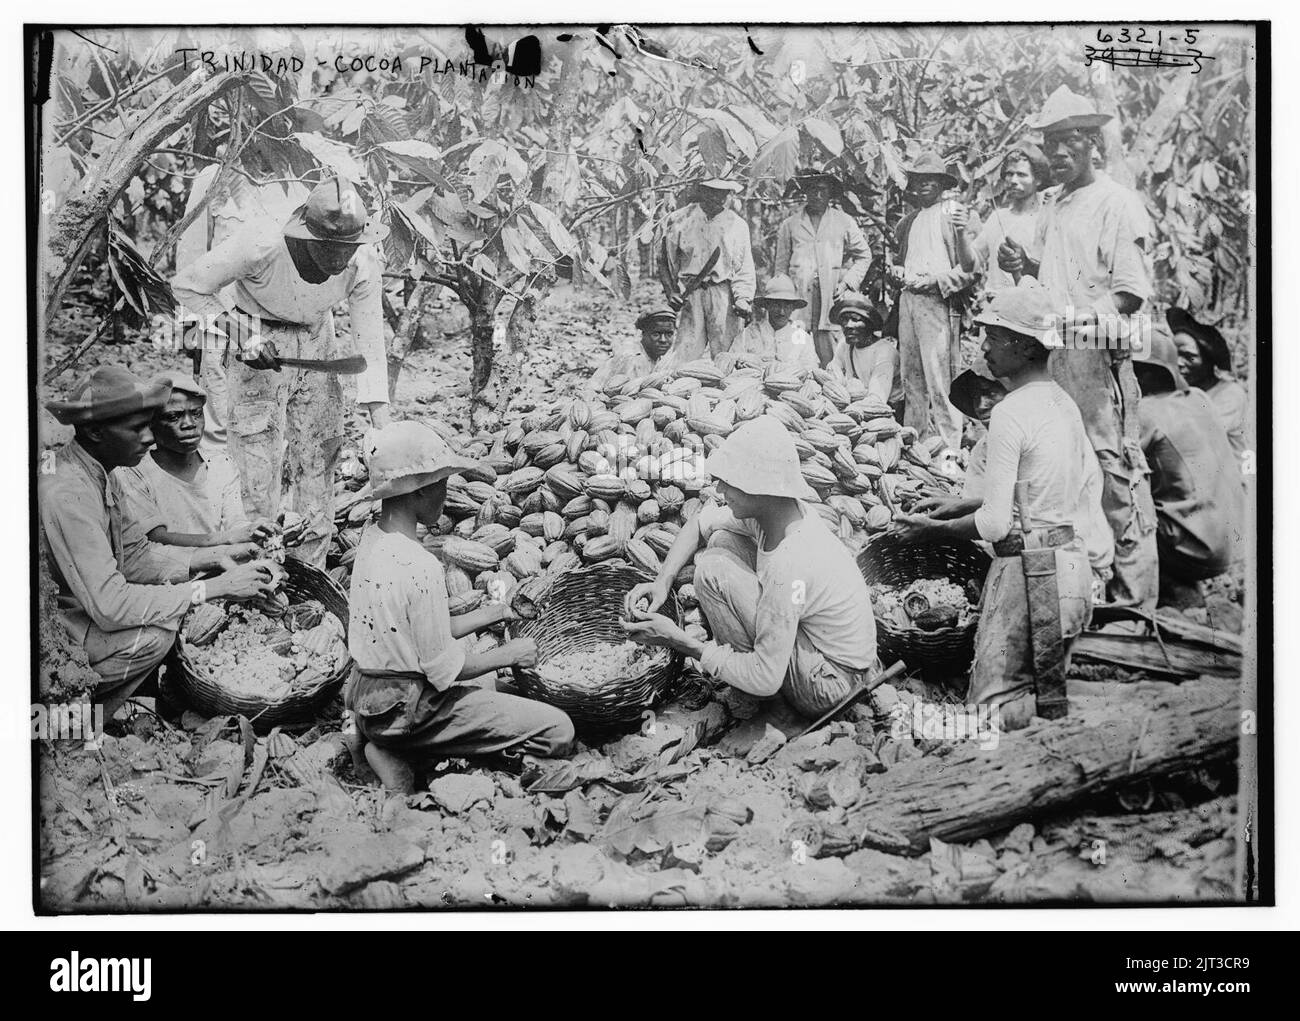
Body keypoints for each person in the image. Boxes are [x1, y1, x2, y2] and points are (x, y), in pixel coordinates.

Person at [893, 287, 1094, 730]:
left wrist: (930, 530)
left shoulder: (1010, 412)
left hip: (1030, 576)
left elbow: (995, 523)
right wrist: (959, 503)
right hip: (1070, 568)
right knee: (1046, 687)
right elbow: (1039, 494)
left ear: (1024, 346)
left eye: (994, 337)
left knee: (992, 712)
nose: (984, 347)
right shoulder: (1064, 404)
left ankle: (1099, 722)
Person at [170, 176, 392, 567]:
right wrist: (240, 335)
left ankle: (311, 563)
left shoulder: (364, 260)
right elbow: (187, 286)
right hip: (257, 332)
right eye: (332, 249)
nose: (341, 259)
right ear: (307, 236)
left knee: (320, 451)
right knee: (256, 458)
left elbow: (370, 335)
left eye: (349, 248)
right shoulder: (261, 245)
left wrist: (380, 418)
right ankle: (258, 563)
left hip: (318, 337)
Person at [996, 85, 1159, 613]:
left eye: (1070, 141)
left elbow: (1129, 293)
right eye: (1051, 143)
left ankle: (1135, 606)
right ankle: (1088, 592)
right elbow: (1047, 272)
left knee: (1115, 469)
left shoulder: (1116, 202)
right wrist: (1021, 264)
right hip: (1056, 354)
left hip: (1097, 356)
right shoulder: (1054, 203)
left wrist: (1075, 318)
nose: (1059, 153)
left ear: (1092, 142)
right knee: (1070, 471)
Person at [345, 421, 574, 793]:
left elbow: (417, 634)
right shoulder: (420, 566)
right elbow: (446, 670)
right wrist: (510, 654)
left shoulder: (372, 542)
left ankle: (382, 741)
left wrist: (498, 612)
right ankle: (404, 755)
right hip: (410, 710)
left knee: (491, 687)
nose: (447, 495)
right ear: (418, 491)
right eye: (441, 484)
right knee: (559, 729)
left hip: (369, 699)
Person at [40, 367, 278, 721]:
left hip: (82, 605)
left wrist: (214, 557)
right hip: (58, 631)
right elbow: (111, 605)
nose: (151, 438)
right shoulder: (70, 494)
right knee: (158, 634)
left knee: (171, 612)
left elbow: (135, 554)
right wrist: (212, 589)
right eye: (138, 429)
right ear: (93, 431)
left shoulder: (104, 471)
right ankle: (73, 716)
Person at [622, 417, 879, 720]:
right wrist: (662, 582)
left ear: (760, 489)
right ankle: (752, 676)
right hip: (826, 651)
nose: (719, 489)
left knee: (712, 570)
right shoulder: (777, 514)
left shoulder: (791, 561)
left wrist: (678, 639)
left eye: (729, 483)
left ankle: (766, 709)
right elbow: (698, 524)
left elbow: (766, 677)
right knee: (720, 539)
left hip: (830, 683)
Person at [928, 358, 1114, 598]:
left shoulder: (1056, 432)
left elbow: (1003, 519)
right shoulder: (983, 452)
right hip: (1023, 564)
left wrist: (935, 529)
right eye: (975, 398)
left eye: (989, 393)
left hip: (1078, 562)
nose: (981, 405)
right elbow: (986, 515)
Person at [173, 166, 309, 449]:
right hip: (223, 322)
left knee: (272, 427)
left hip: (280, 324)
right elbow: (191, 253)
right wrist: (189, 329)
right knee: (221, 422)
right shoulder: (213, 176)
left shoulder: (302, 173)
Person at [1132, 326, 1244, 602]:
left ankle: (1134, 601)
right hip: (1232, 545)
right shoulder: (1200, 398)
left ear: (1142, 373)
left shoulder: (1146, 413)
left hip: (1195, 552)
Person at [116, 373, 275, 552]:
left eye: (196, 413)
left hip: (217, 565)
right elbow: (156, 537)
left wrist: (260, 531)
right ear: (151, 423)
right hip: (168, 572)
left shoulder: (221, 464)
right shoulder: (134, 470)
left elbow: (235, 521)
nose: (189, 424)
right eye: (174, 416)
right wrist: (229, 538)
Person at [888, 152, 979, 453]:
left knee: (940, 377)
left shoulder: (952, 213)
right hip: (909, 301)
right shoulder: (909, 221)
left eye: (931, 179)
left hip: (937, 301)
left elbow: (969, 270)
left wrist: (936, 281)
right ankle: (916, 444)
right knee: (911, 376)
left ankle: (949, 448)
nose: (924, 184)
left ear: (941, 183)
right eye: (918, 179)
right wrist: (898, 271)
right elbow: (900, 261)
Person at [773, 168, 871, 367]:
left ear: (830, 194)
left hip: (831, 294)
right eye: (812, 189)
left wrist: (847, 283)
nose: (817, 195)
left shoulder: (843, 221)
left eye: (822, 191)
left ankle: (832, 388)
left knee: (830, 352)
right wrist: (784, 299)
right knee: (797, 344)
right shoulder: (790, 224)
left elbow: (864, 255)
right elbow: (780, 267)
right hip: (799, 297)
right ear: (805, 191)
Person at [658, 178, 756, 360]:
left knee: (727, 356)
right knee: (684, 353)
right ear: (701, 190)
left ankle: (729, 387)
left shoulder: (737, 225)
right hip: (691, 292)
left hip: (723, 294)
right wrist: (671, 291)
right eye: (711, 191)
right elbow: (663, 259)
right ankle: (681, 387)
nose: (716, 197)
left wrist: (743, 299)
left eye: (722, 192)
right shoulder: (680, 219)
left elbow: (744, 267)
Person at [1167, 307, 1250, 463]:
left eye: (1189, 357)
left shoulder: (1230, 395)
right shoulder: (1181, 391)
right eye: (1173, 354)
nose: (1178, 363)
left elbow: (1194, 438)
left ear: (1209, 361)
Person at [968, 144, 1052, 296]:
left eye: (1021, 174)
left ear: (1038, 180)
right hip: (994, 306)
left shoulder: (1047, 217)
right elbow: (971, 263)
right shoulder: (997, 217)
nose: (1013, 180)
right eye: (1009, 174)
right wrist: (960, 231)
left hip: (1029, 306)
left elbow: (1053, 273)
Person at [828, 291, 902, 409]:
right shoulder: (844, 345)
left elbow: (877, 400)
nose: (848, 325)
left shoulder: (884, 353)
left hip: (886, 410)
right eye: (844, 320)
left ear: (869, 324)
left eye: (855, 319)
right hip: (856, 406)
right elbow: (832, 375)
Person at [734, 274, 817, 371]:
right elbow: (732, 362)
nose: (781, 312)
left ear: (793, 308)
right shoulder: (748, 334)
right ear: (767, 305)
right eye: (776, 305)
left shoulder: (802, 338)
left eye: (786, 306)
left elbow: (810, 370)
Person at [588, 307, 678, 389]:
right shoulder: (630, 357)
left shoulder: (662, 358)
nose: (663, 340)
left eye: (669, 334)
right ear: (643, 333)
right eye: (656, 334)